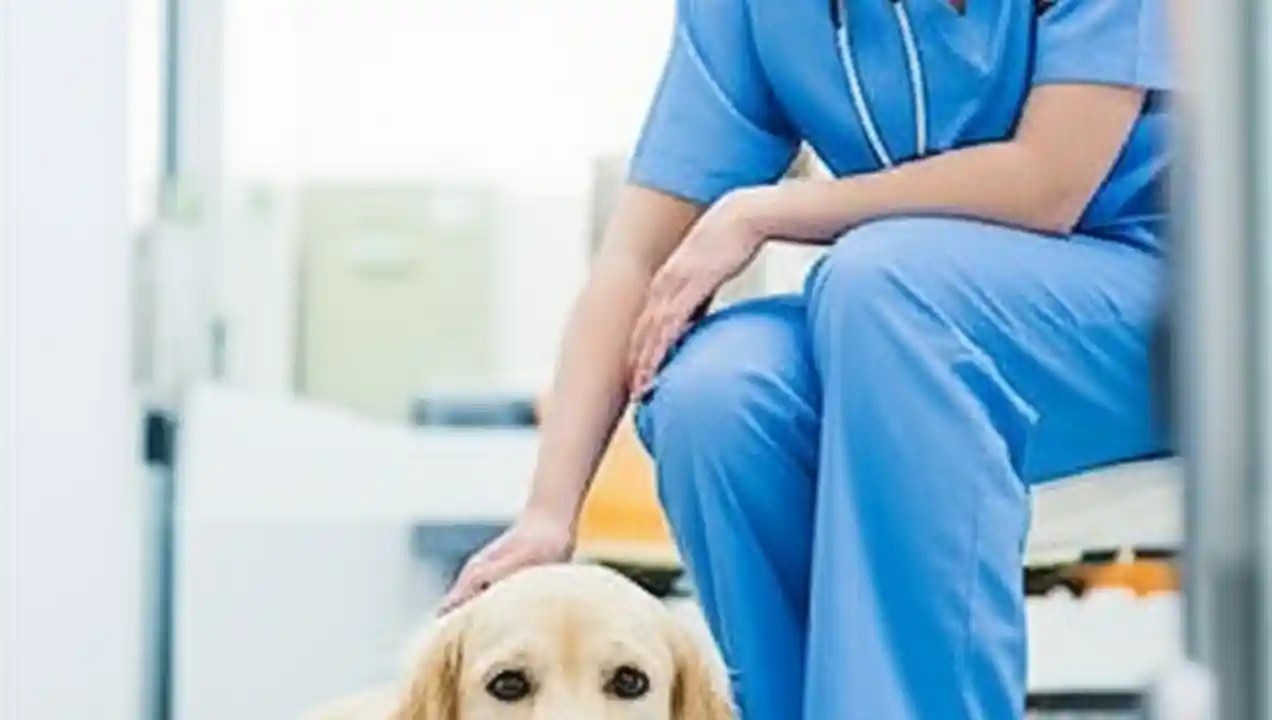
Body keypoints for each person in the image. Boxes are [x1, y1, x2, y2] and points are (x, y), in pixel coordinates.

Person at [444, 0, 1173, 717]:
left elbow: (1049, 181)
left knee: (883, 280)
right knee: (718, 393)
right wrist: (548, 513)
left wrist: (764, 210)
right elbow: (639, 258)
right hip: (902, 338)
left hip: (1165, 320)